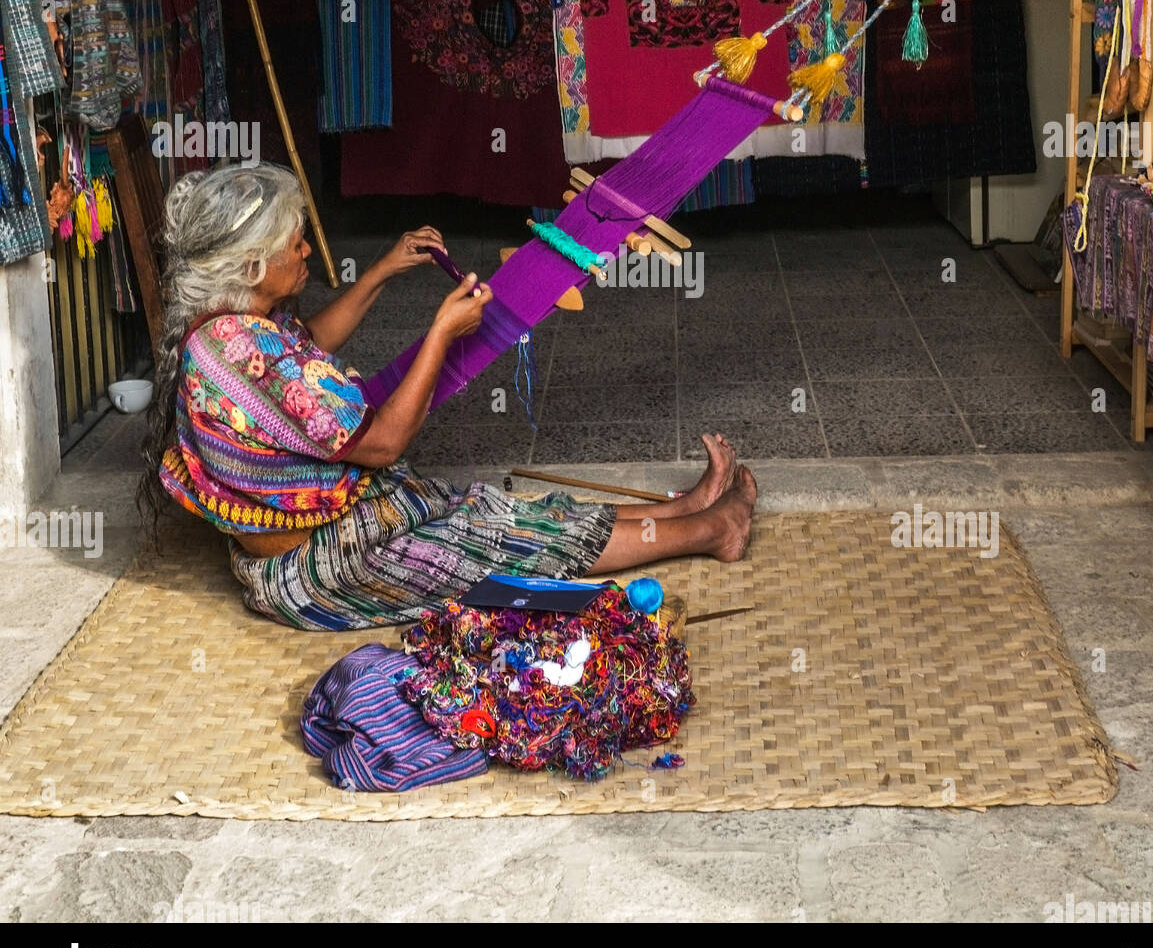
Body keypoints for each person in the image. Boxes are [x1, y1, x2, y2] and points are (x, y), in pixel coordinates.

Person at [140, 163, 756, 630]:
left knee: (487, 509)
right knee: (495, 543)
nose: (307, 250)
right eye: (294, 243)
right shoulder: (245, 354)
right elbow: (382, 444)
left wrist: (382, 269)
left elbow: (311, 344)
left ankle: (681, 512)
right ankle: (710, 530)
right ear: (251, 267)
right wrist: (440, 333)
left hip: (337, 524)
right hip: (316, 569)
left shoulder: (224, 331)